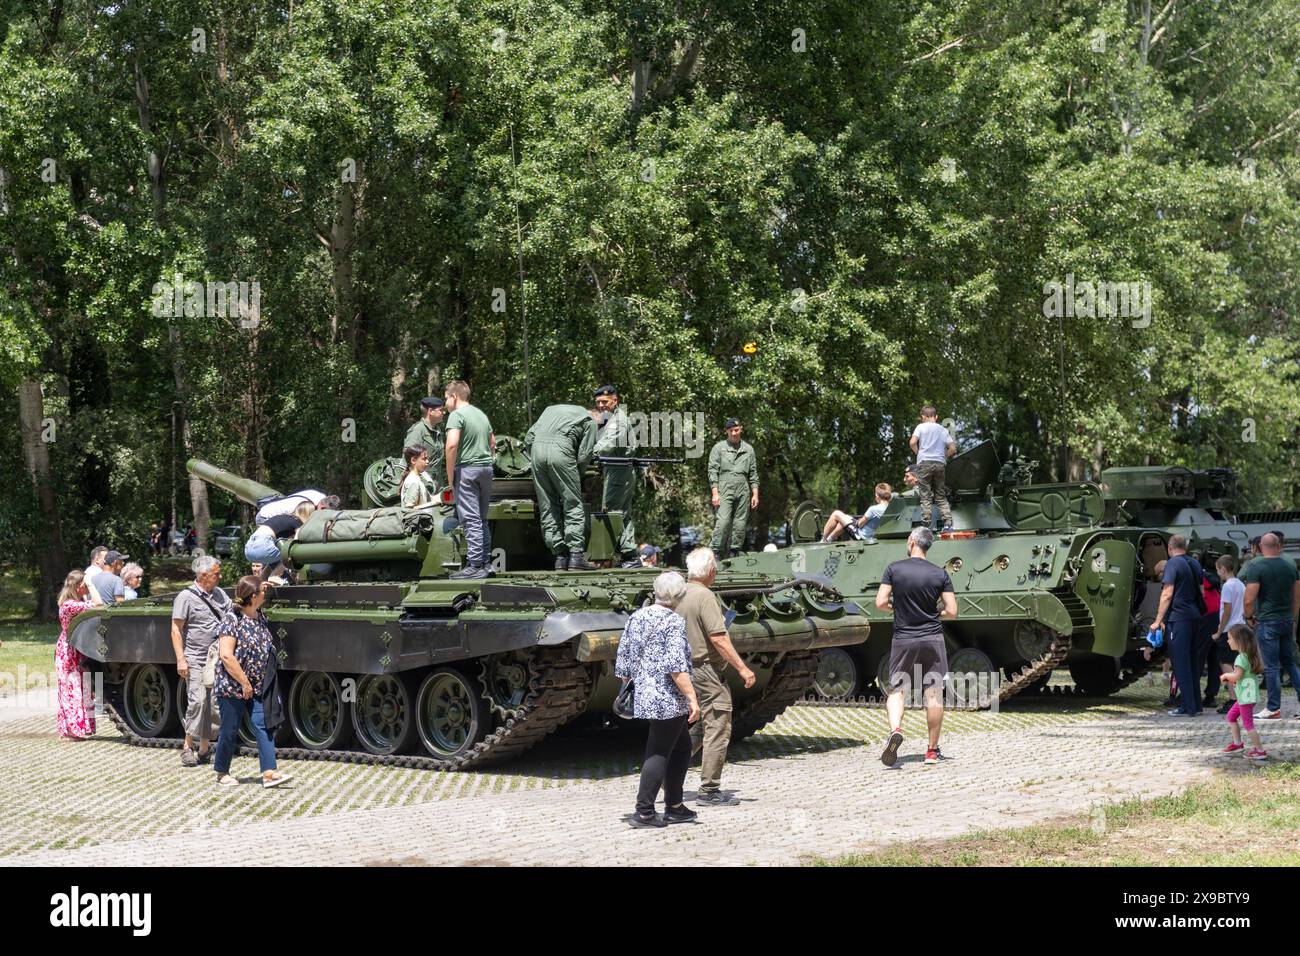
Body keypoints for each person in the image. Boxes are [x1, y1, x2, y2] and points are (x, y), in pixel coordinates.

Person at [615, 570, 701, 827]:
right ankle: (644, 811)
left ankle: (674, 804)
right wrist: (692, 699)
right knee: (659, 752)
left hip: (645, 696)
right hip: (668, 699)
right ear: (678, 596)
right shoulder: (673, 621)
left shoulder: (636, 617)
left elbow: (623, 663)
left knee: (683, 746)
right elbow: (676, 666)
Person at [876, 527, 958, 766]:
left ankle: (895, 730)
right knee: (933, 694)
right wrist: (934, 613)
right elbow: (952, 611)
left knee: (897, 690)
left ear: (912, 541)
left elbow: (880, 602)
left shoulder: (894, 569)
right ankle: (932, 752)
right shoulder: (939, 573)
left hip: (903, 638)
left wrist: (897, 609)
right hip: (932, 638)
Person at [679, 547, 755, 805]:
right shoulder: (705, 596)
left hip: (683, 670)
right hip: (706, 670)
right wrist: (742, 668)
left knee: (699, 727)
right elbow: (718, 638)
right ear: (711, 571)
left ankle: (670, 774)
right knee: (718, 725)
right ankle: (709, 790)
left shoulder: (678, 593)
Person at [213, 576, 292, 788]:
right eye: (262, 591)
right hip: (232, 685)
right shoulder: (232, 619)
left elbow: (262, 645)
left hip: (257, 685)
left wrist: (267, 581)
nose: (265, 594)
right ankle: (222, 772)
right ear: (254, 597)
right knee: (229, 729)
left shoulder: (259, 616)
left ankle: (269, 772)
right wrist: (244, 682)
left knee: (264, 725)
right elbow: (226, 656)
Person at [170, 555, 231, 767]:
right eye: (216, 574)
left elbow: (233, 613)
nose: (219, 577)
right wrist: (181, 659)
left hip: (215, 657)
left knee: (212, 704)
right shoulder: (185, 597)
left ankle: (204, 749)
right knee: (197, 701)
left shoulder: (221, 595)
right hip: (195, 657)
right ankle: (188, 746)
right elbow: (176, 629)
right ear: (203, 575)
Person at [523, 403, 599, 570]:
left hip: (536, 452)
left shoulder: (549, 410)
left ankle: (559, 556)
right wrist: (575, 476)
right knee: (572, 504)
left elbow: (528, 438)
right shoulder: (590, 421)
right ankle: (576, 556)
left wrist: (536, 458)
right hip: (562, 453)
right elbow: (585, 454)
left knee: (547, 506)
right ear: (596, 415)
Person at [1242, 532, 1300, 719]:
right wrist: (1292, 618)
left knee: (1272, 667)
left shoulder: (1256, 566)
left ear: (1260, 547)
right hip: (1286, 621)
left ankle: (1273, 707)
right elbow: (1297, 597)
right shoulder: (1291, 565)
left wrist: (1248, 616)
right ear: (1279, 545)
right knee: (1290, 663)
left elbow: (1249, 598)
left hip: (1267, 621)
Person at [1149, 535, 1207, 716]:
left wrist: (1158, 621)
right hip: (1195, 616)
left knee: (1181, 664)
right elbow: (1202, 592)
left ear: (1169, 548)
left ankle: (1186, 707)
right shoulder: (1195, 563)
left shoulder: (1173, 564)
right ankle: (1196, 704)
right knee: (1192, 662)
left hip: (1179, 618)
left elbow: (1167, 593)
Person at [444, 379, 496, 580]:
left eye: (446, 398)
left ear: (455, 396)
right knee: (482, 519)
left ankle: (473, 565)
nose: (445, 403)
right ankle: (485, 563)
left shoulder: (456, 415)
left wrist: (451, 477)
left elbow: (451, 446)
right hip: (486, 469)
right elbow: (492, 442)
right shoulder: (480, 414)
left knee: (470, 518)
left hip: (467, 469)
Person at [593, 385, 641, 567]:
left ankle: (607, 557)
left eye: (604, 402)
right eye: (598, 402)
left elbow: (606, 444)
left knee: (611, 513)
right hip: (617, 470)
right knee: (622, 514)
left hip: (619, 470)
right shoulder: (609, 419)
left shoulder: (618, 421)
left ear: (615, 400)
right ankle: (630, 556)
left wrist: (588, 453)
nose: (601, 405)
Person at [708, 418, 759, 560]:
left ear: (740, 429)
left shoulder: (748, 449)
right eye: (731, 431)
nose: (734, 433)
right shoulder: (719, 448)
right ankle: (716, 551)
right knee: (723, 521)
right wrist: (715, 493)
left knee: (740, 522)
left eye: (736, 430)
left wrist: (755, 494)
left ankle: (734, 551)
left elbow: (753, 473)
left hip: (743, 488)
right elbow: (712, 471)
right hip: (724, 486)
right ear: (727, 432)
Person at [55, 570, 96, 740]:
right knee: (73, 689)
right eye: (85, 585)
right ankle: (74, 730)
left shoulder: (73, 602)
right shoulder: (70, 605)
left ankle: (75, 728)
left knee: (80, 688)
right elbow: (98, 603)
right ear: (79, 586)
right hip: (69, 650)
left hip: (75, 649)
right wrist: (92, 585)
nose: (87, 587)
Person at [1219, 624, 1267, 760]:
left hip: (1245, 698)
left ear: (1239, 640)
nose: (1228, 641)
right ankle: (1237, 744)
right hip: (1245, 697)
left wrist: (1226, 676)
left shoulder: (1240, 658)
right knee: (1231, 717)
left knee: (1248, 724)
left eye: (1230, 638)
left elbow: (1236, 676)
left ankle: (1260, 750)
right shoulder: (1247, 656)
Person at [909, 405, 956, 532]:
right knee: (940, 495)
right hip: (939, 463)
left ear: (923, 416)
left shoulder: (920, 427)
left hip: (924, 463)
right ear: (936, 417)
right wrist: (943, 456)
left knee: (925, 496)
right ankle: (948, 524)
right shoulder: (942, 430)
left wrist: (918, 453)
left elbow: (912, 442)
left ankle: (926, 526)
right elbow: (953, 448)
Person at [1211, 555, 1247, 714]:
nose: (1217, 573)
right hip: (1240, 626)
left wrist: (1219, 631)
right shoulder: (1240, 584)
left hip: (1229, 629)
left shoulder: (1227, 586)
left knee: (1225, 663)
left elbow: (1227, 611)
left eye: (1217, 569)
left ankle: (1234, 699)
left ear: (1223, 569)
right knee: (1237, 663)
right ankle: (1240, 697)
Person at [822, 483, 893, 543]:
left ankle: (823, 540)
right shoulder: (892, 509)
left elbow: (859, 524)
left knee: (836, 513)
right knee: (844, 521)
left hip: (861, 536)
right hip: (873, 536)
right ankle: (829, 540)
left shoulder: (873, 509)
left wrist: (858, 520)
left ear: (877, 495)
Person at [404, 396, 447, 489]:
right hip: (422, 484)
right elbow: (407, 459)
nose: (444, 412)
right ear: (430, 411)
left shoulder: (437, 431)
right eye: (441, 410)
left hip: (437, 484)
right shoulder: (417, 431)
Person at [398, 445, 439, 509]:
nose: (427, 461)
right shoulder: (413, 481)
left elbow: (429, 499)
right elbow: (409, 510)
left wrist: (446, 495)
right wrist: (432, 504)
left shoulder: (417, 478)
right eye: (424, 459)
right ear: (413, 460)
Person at [255, 489, 326, 526]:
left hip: (270, 511)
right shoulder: (304, 506)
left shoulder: (321, 497)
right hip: (265, 517)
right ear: (322, 507)